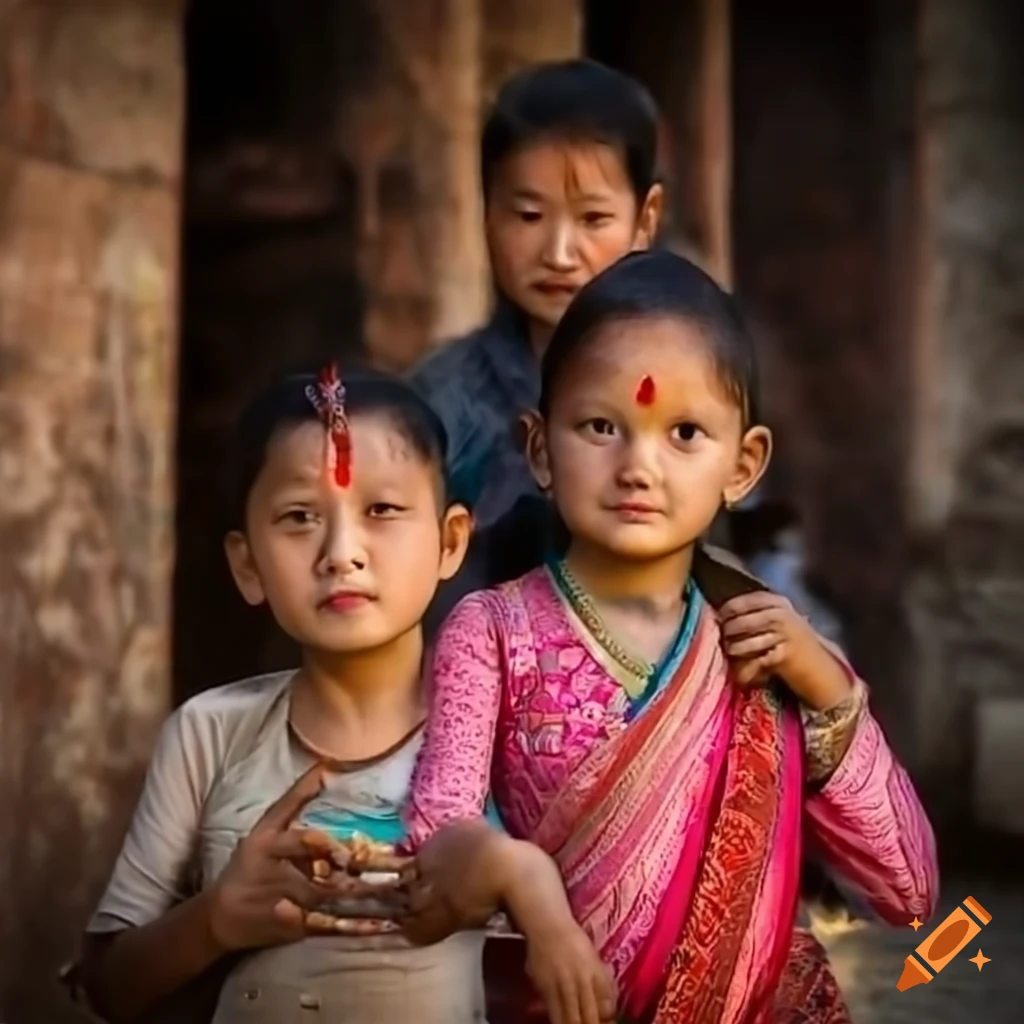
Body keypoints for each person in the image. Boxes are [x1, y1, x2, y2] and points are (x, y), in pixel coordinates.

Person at [402, 251, 939, 1024]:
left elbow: (907, 886)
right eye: (600, 426)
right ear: (541, 448)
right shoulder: (491, 633)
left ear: (743, 465)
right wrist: (526, 885)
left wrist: (824, 685)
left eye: (684, 432)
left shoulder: (769, 645)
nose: (638, 466)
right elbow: (434, 846)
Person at [77, 369, 487, 1024]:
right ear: (248, 566)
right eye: (300, 517)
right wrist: (215, 920)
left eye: (381, 511)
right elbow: (109, 987)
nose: (341, 553)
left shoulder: (511, 729)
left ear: (451, 541)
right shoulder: (211, 734)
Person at [411, 58, 664, 530]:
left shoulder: (691, 376)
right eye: (529, 215)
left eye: (593, 219)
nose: (559, 253)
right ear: (487, 212)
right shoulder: (443, 401)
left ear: (644, 220)